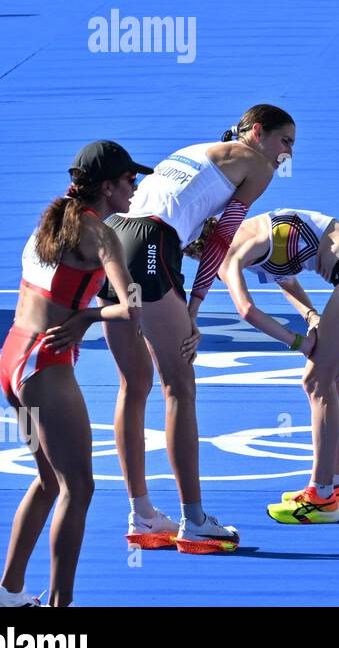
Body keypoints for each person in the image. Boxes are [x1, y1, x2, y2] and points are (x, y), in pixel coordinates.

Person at [101, 103, 295, 554]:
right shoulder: (258, 165)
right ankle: (194, 521)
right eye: (285, 141)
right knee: (179, 388)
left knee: (132, 385)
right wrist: (195, 304)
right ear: (258, 133)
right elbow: (224, 239)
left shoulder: (197, 150)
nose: (286, 154)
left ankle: (143, 514)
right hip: (151, 244)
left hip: (114, 237)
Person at [0, 142, 146, 606]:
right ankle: (61, 605)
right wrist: (88, 319)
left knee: (49, 482)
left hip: (13, 357)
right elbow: (131, 305)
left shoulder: (51, 221)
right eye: (128, 181)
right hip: (46, 366)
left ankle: (8, 596)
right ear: (107, 187)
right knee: (79, 487)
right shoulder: (101, 235)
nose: (135, 188)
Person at [213, 208, 339, 523]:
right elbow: (287, 280)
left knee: (316, 381)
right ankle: (337, 486)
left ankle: (320, 495)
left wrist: (297, 342)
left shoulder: (227, 257)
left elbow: (246, 310)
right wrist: (312, 317)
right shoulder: (250, 232)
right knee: (331, 376)